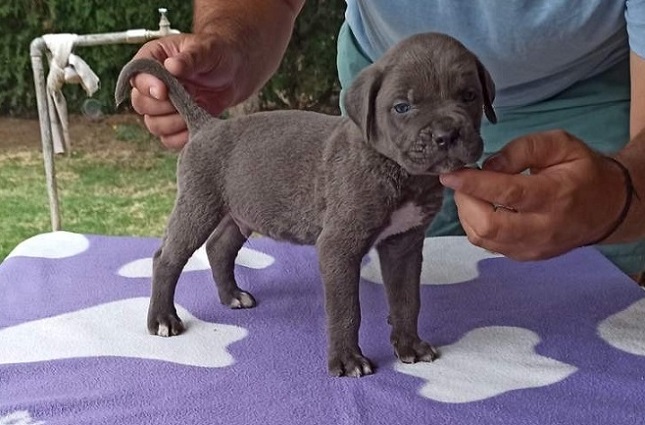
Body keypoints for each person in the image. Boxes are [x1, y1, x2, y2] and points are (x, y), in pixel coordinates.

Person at [127, 0, 645, 277]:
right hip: (382, 116)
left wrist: (624, 196)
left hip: (595, 118)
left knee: (590, 300)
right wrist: (230, 45)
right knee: (398, 255)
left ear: (482, 98)